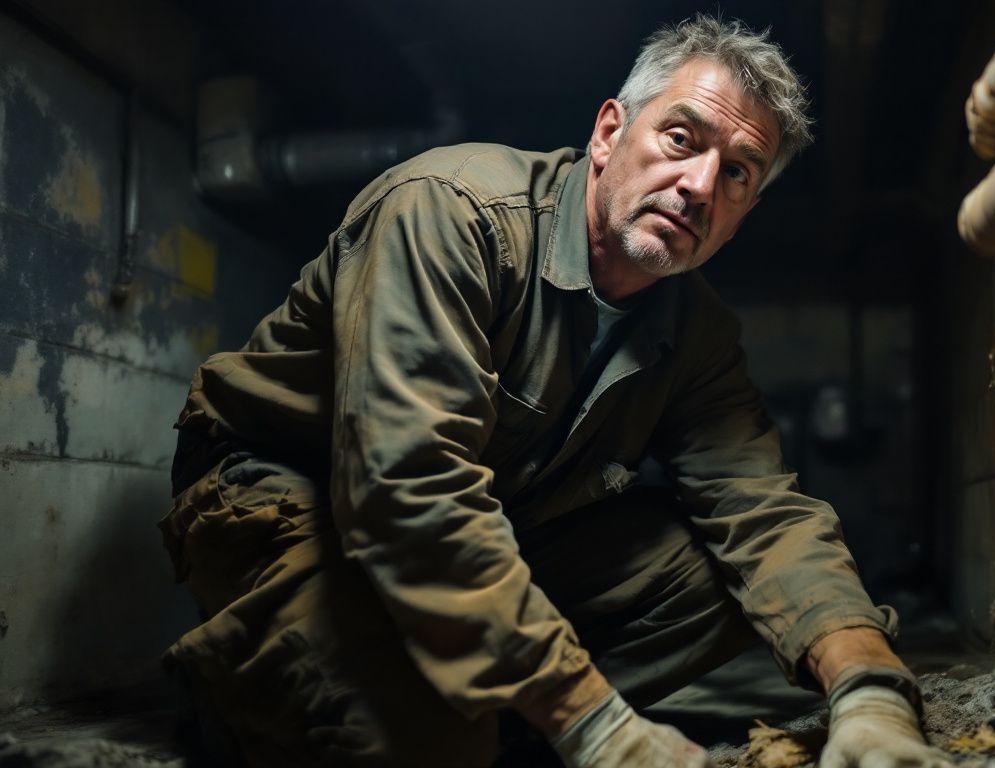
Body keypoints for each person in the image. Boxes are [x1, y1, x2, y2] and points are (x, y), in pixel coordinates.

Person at [159, 14, 954, 768]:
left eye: (738, 173)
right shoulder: (453, 213)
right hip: (292, 496)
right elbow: (406, 489)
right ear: (610, 132)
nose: (700, 185)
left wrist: (869, 689)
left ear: (743, 211)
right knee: (422, 748)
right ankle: (255, 682)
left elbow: (763, 508)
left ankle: (489, 706)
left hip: (495, 514)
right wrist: (598, 723)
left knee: (724, 577)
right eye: (681, 138)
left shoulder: (697, 332)